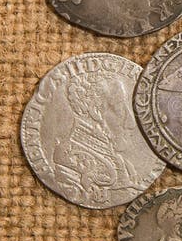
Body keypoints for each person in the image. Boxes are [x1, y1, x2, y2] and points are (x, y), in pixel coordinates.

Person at [53, 73, 148, 204]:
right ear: (95, 111)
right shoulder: (68, 162)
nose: (130, 122)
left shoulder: (122, 163)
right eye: (119, 107)